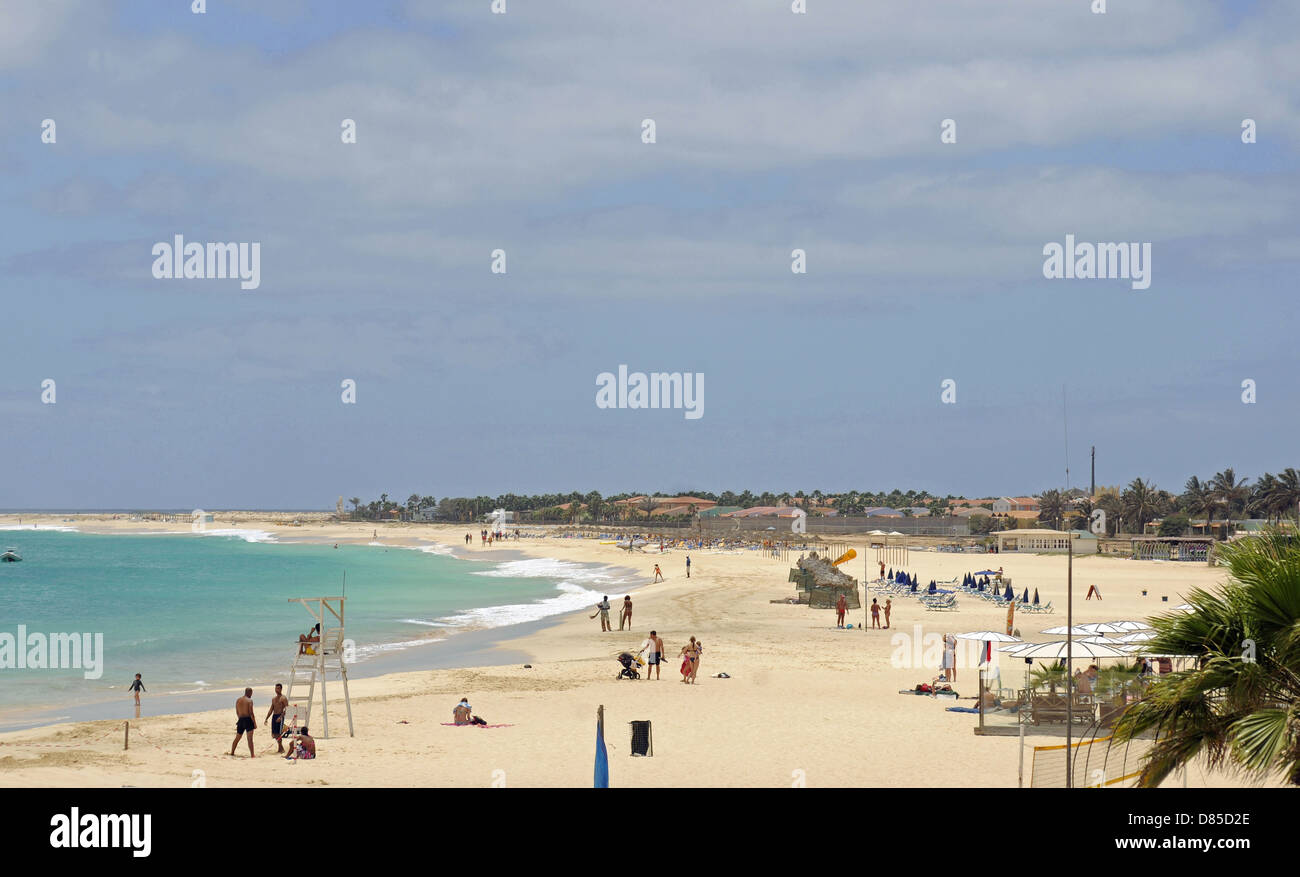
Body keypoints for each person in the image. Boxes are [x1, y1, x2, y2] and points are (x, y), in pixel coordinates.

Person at [230, 688, 256, 758]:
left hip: (241, 720)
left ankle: (232, 752)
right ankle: (252, 755)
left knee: (237, 738)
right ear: (249, 692)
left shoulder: (238, 700)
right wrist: (254, 723)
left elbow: (237, 711)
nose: (252, 694)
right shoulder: (249, 701)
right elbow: (251, 713)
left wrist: (239, 719)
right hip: (248, 720)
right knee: (250, 739)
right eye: (251, 693)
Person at [266, 683, 288, 754]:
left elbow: (287, 709)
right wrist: (266, 718)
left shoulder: (283, 698)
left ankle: (281, 748)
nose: (276, 690)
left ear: (281, 689)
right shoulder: (273, 699)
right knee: (274, 734)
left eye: (278, 688)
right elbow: (271, 709)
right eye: (276, 688)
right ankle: (281, 748)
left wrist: (281, 717)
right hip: (274, 716)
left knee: (279, 733)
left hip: (280, 716)